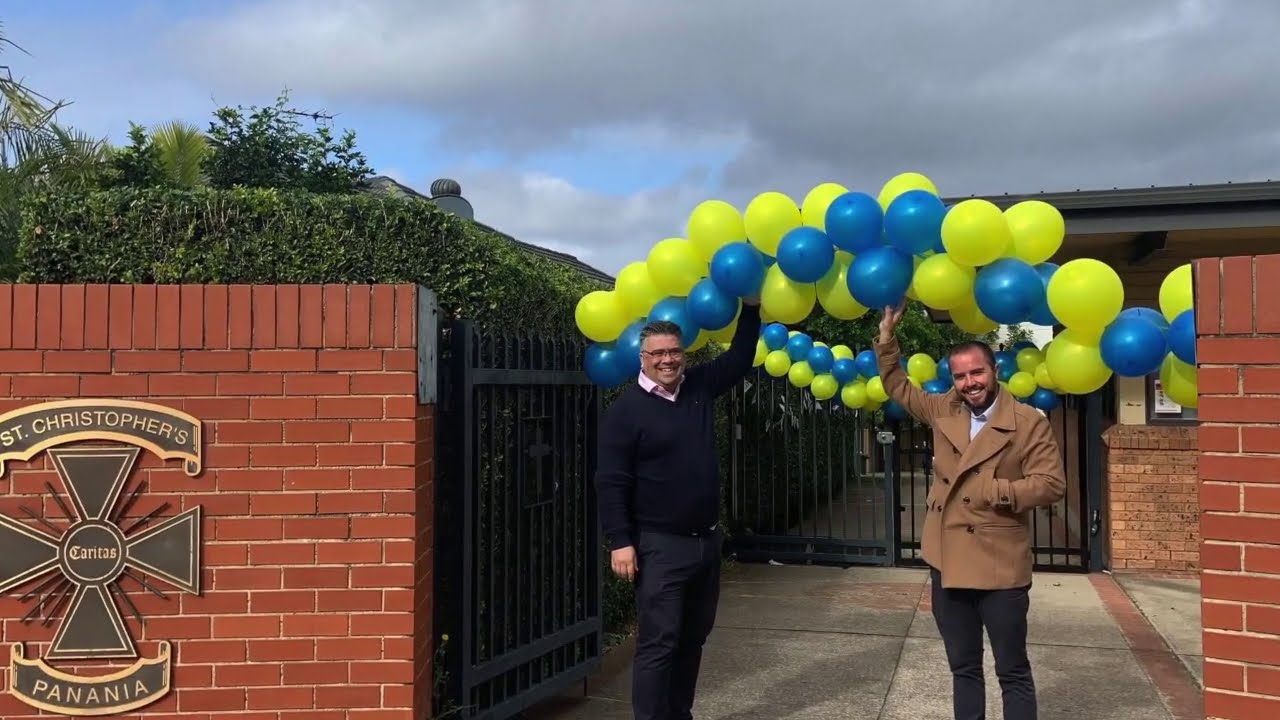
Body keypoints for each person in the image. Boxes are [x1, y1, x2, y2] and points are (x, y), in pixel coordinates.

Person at [873, 301, 1065, 720]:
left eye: (976, 372)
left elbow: (1051, 484)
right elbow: (899, 387)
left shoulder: (1028, 421)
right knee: (964, 669)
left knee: (1012, 671)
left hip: (1000, 565)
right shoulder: (946, 410)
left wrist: (994, 490)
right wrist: (887, 340)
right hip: (949, 562)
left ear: (994, 370)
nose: (969, 383)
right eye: (960, 375)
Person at [594, 297, 762, 720]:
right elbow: (611, 480)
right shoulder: (625, 412)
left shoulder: (699, 388)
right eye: (659, 354)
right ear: (642, 358)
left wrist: (752, 308)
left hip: (706, 543)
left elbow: (741, 357)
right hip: (659, 547)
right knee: (658, 644)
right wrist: (620, 542)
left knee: (693, 639)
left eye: (674, 351)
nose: (668, 360)